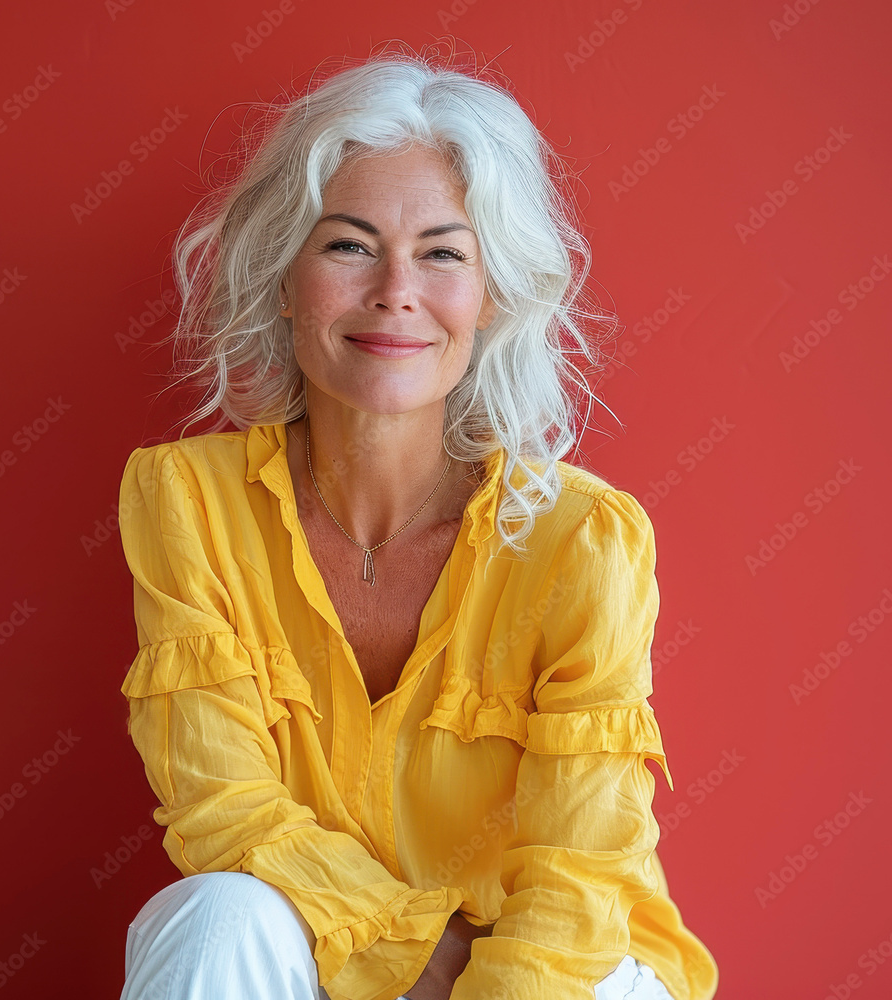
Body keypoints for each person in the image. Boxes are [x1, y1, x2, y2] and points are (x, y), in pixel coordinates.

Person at [116, 45, 719, 1000]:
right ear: (284, 276)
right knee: (216, 915)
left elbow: (577, 869)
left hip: (547, 968)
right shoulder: (186, 500)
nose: (396, 290)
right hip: (322, 943)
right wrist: (413, 952)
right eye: (349, 244)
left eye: (442, 253)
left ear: (489, 299)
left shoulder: (584, 541)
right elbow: (222, 806)